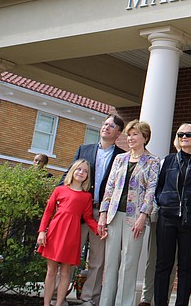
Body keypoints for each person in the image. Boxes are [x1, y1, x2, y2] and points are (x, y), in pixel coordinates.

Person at [98, 120, 160, 306]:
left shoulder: (153, 161)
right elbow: (109, 187)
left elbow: (151, 191)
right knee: (110, 263)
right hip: (114, 215)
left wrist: (143, 216)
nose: (130, 138)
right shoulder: (120, 159)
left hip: (135, 219)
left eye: (135, 134)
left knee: (129, 264)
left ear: (145, 137)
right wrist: (103, 213)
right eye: (129, 134)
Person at [66, 114, 125, 306]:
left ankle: (89, 299)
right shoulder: (85, 150)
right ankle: (59, 296)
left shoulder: (121, 156)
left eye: (112, 126)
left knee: (97, 261)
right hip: (78, 211)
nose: (106, 127)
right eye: (105, 124)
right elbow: (69, 177)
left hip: (103, 213)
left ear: (118, 133)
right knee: (69, 255)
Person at [38, 159, 104, 306]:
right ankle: (46, 303)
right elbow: (48, 212)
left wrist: (98, 230)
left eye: (85, 171)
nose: (81, 172)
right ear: (73, 171)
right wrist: (42, 231)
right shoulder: (59, 189)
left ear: (88, 176)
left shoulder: (86, 196)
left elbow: (88, 217)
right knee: (51, 271)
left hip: (72, 235)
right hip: (56, 231)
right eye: (79, 169)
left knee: (66, 272)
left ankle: (59, 303)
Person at [153, 123, 191, 306]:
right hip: (168, 217)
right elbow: (159, 186)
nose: (184, 137)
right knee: (163, 265)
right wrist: (163, 201)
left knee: (186, 266)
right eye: (180, 134)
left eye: (188, 134)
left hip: (190, 219)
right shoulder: (169, 160)